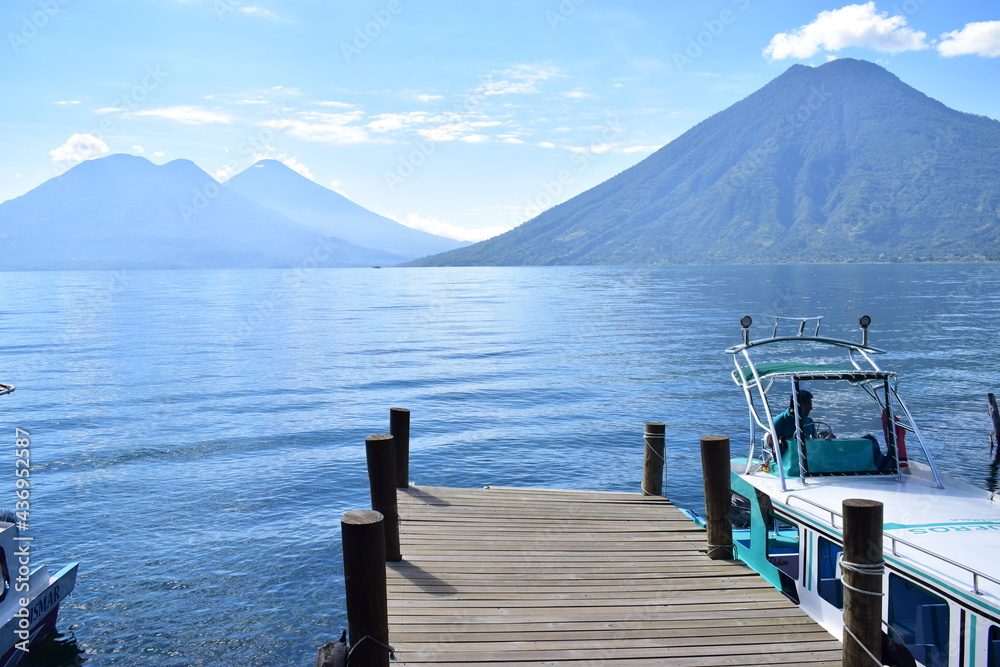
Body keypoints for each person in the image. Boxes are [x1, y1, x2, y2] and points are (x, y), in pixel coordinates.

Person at [767, 390, 817, 457]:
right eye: (808, 405)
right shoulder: (780, 420)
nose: (811, 408)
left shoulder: (809, 420)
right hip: (785, 458)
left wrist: (824, 437)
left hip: (806, 457)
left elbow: (814, 440)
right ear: (799, 405)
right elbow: (771, 443)